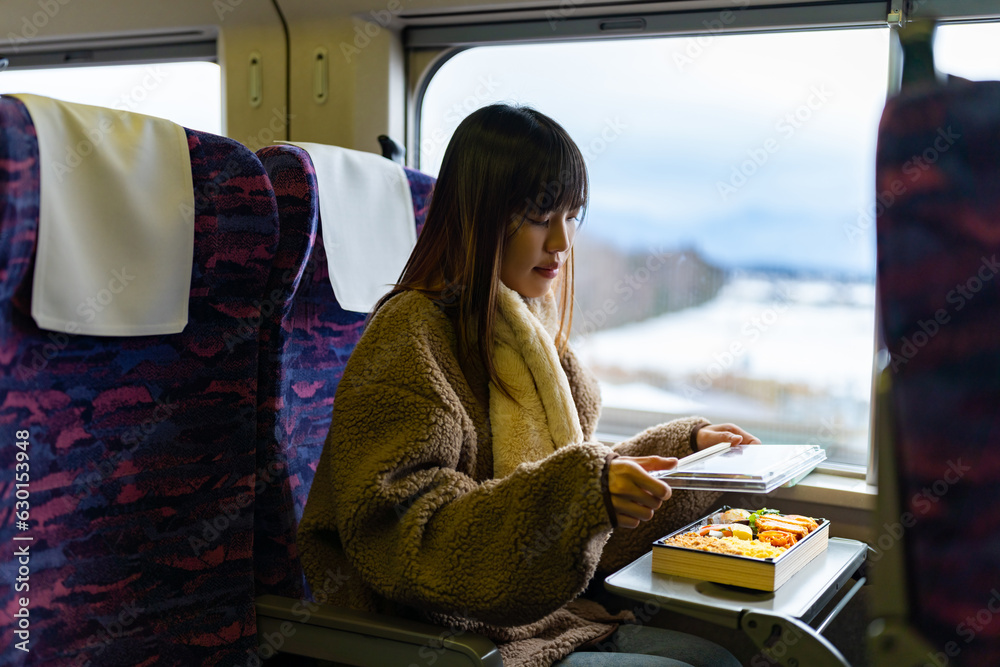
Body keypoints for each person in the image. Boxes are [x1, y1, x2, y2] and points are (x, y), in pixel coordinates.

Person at [297, 103, 759, 667]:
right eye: (541, 217)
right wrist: (580, 494)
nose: (562, 243)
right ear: (479, 218)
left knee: (714, 657)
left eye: (572, 215)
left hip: (531, 625)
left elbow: (572, 483)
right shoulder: (409, 338)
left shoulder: (528, 337)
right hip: (439, 642)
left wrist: (681, 455)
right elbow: (403, 538)